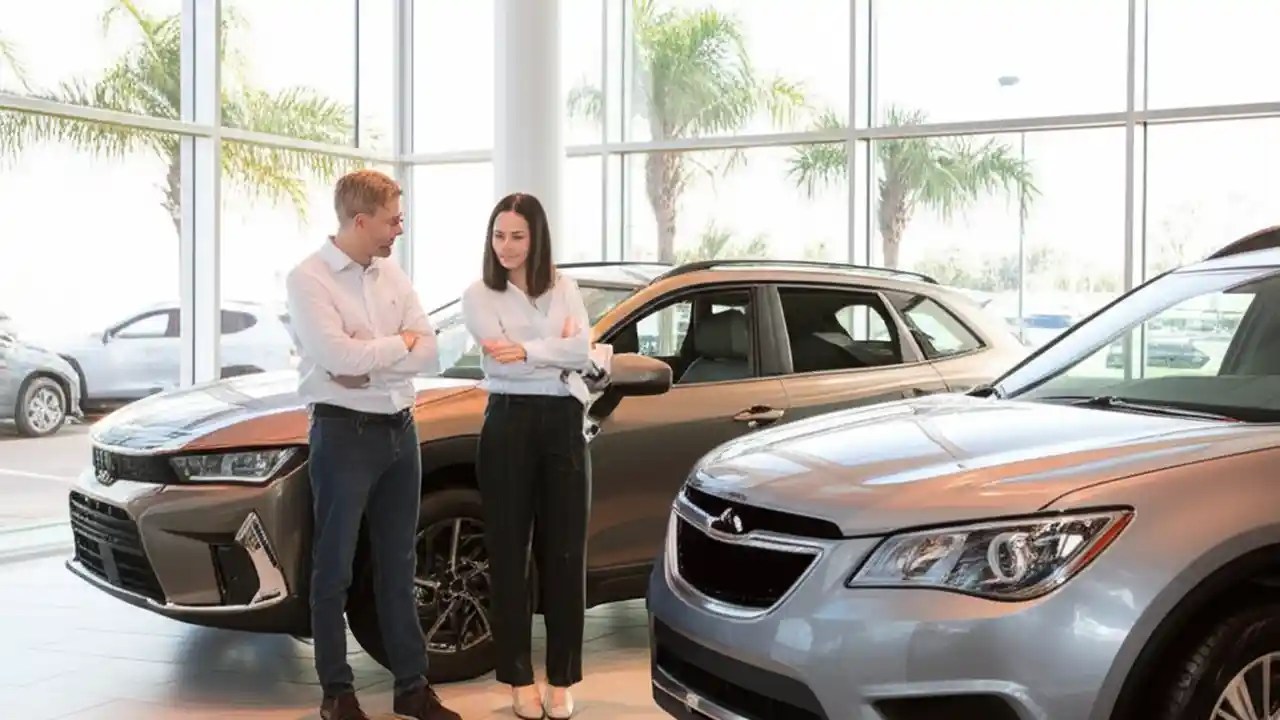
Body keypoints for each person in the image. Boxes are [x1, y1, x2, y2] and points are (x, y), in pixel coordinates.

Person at [285, 169, 461, 720]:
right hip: (343, 434)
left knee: (398, 563)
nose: (399, 229)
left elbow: (432, 349)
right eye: (392, 219)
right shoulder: (308, 279)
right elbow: (338, 360)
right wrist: (393, 348)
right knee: (333, 567)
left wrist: (374, 354)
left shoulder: (392, 274)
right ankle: (337, 694)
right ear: (361, 221)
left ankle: (412, 687)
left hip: (400, 430)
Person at [462, 192, 594, 720]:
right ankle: (518, 676)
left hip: (564, 421)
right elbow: (503, 362)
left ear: (536, 238)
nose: (507, 246)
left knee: (565, 555)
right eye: (499, 235)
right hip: (509, 421)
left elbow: (582, 352)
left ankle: (562, 678)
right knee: (509, 552)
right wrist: (554, 350)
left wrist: (531, 349)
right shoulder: (479, 295)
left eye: (517, 236)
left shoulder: (565, 287)